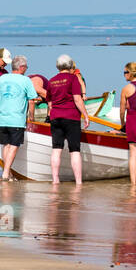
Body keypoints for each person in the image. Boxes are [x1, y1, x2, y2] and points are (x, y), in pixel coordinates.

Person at [0, 55, 38, 181]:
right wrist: (32, 117)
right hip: (17, 119)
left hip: (3, 119)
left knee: (6, 145)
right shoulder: (26, 80)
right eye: (26, 67)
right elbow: (32, 100)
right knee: (14, 146)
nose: (26, 69)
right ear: (21, 67)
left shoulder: (2, 78)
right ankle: (6, 173)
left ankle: (8, 173)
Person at [47, 54, 91, 184]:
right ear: (70, 65)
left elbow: (50, 103)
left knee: (56, 149)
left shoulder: (51, 81)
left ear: (58, 66)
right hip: (71, 117)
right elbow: (77, 99)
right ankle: (78, 182)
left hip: (55, 118)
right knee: (74, 150)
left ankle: (55, 180)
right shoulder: (73, 79)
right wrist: (86, 115)